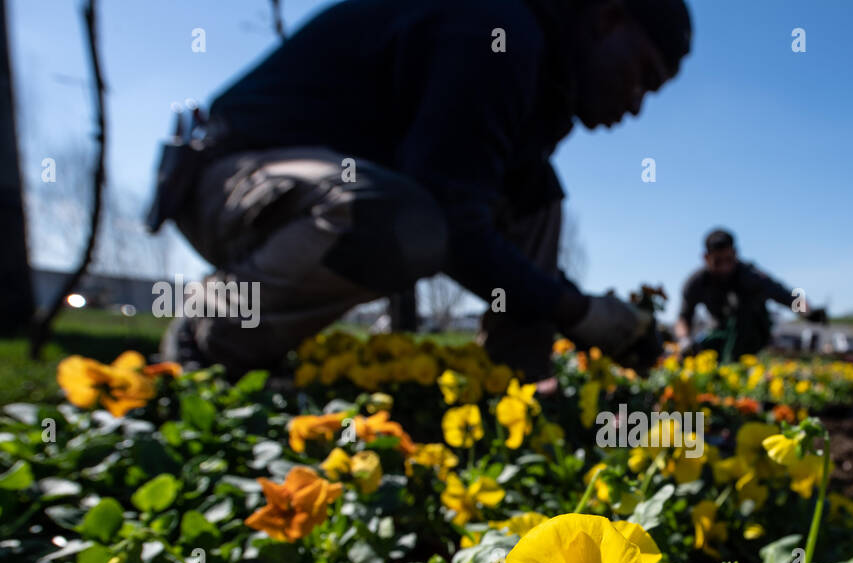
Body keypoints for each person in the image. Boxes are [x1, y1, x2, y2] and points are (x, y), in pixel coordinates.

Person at [151, 0, 692, 382]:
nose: (637, 103)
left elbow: (481, 220)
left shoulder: (533, 72)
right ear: (609, 18)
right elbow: (454, 221)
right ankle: (210, 338)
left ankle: (513, 384)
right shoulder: (497, 29)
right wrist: (578, 311)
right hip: (232, 176)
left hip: (310, 195)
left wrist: (588, 316)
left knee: (537, 196)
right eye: (643, 74)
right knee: (405, 220)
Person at [674, 229, 823, 361]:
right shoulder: (696, 282)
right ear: (706, 257)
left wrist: (809, 312)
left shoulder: (751, 276)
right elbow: (683, 317)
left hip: (752, 333)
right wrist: (684, 340)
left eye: (729, 260)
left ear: (735, 253)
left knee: (742, 312)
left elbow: (786, 295)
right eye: (718, 261)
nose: (724, 267)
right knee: (698, 352)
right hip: (720, 332)